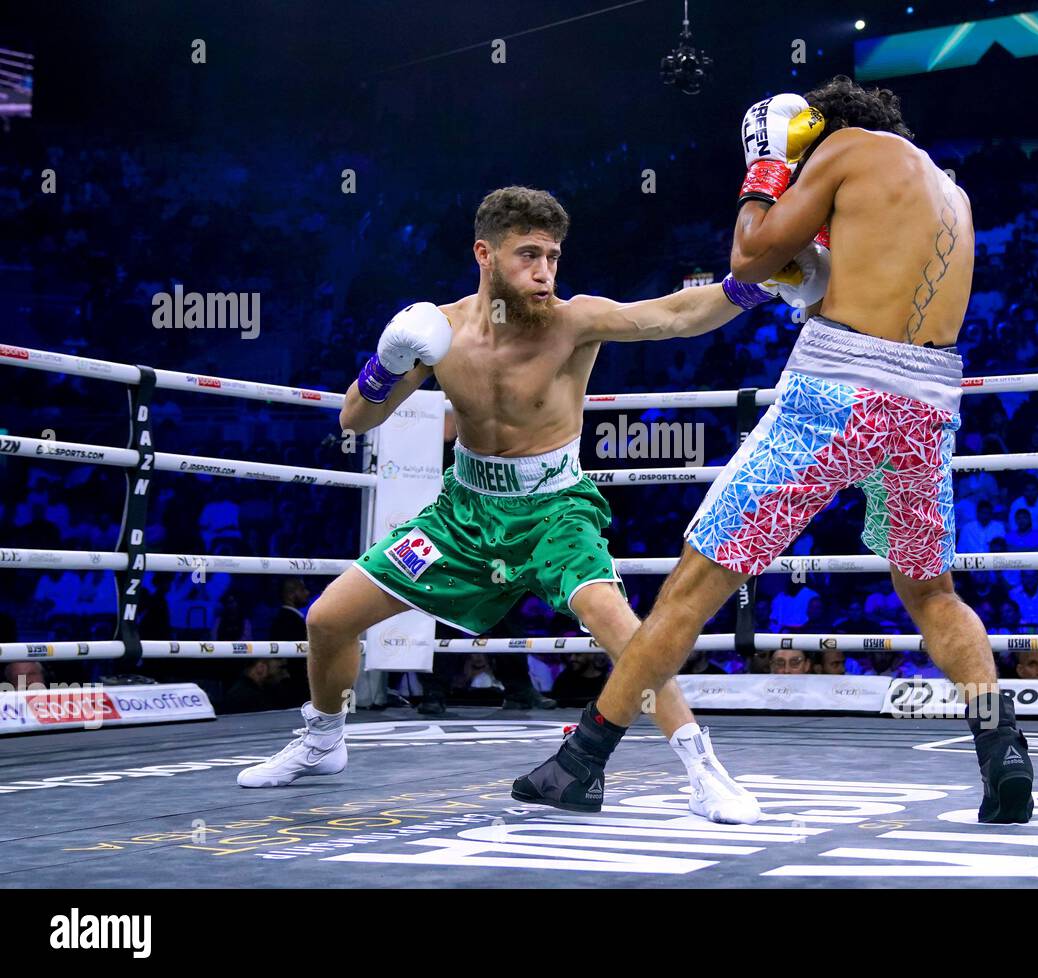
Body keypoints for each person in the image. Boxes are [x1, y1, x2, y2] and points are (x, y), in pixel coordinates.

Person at [514, 79, 1034, 824]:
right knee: (931, 593)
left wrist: (765, 166)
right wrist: (816, 275)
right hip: (927, 406)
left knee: (695, 582)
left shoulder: (845, 148)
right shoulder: (952, 192)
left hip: (837, 394)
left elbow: (751, 254)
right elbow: (864, 280)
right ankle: (1002, 748)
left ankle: (583, 760)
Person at [239, 186, 822, 823]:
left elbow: (676, 314)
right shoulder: (440, 331)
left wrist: (759, 282)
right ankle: (323, 738)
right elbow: (356, 418)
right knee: (327, 619)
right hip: (461, 516)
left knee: (621, 626)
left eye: (552, 256)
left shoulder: (575, 322)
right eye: (528, 256)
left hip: (554, 509)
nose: (545, 273)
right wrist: (385, 362)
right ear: (484, 254)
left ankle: (703, 768)